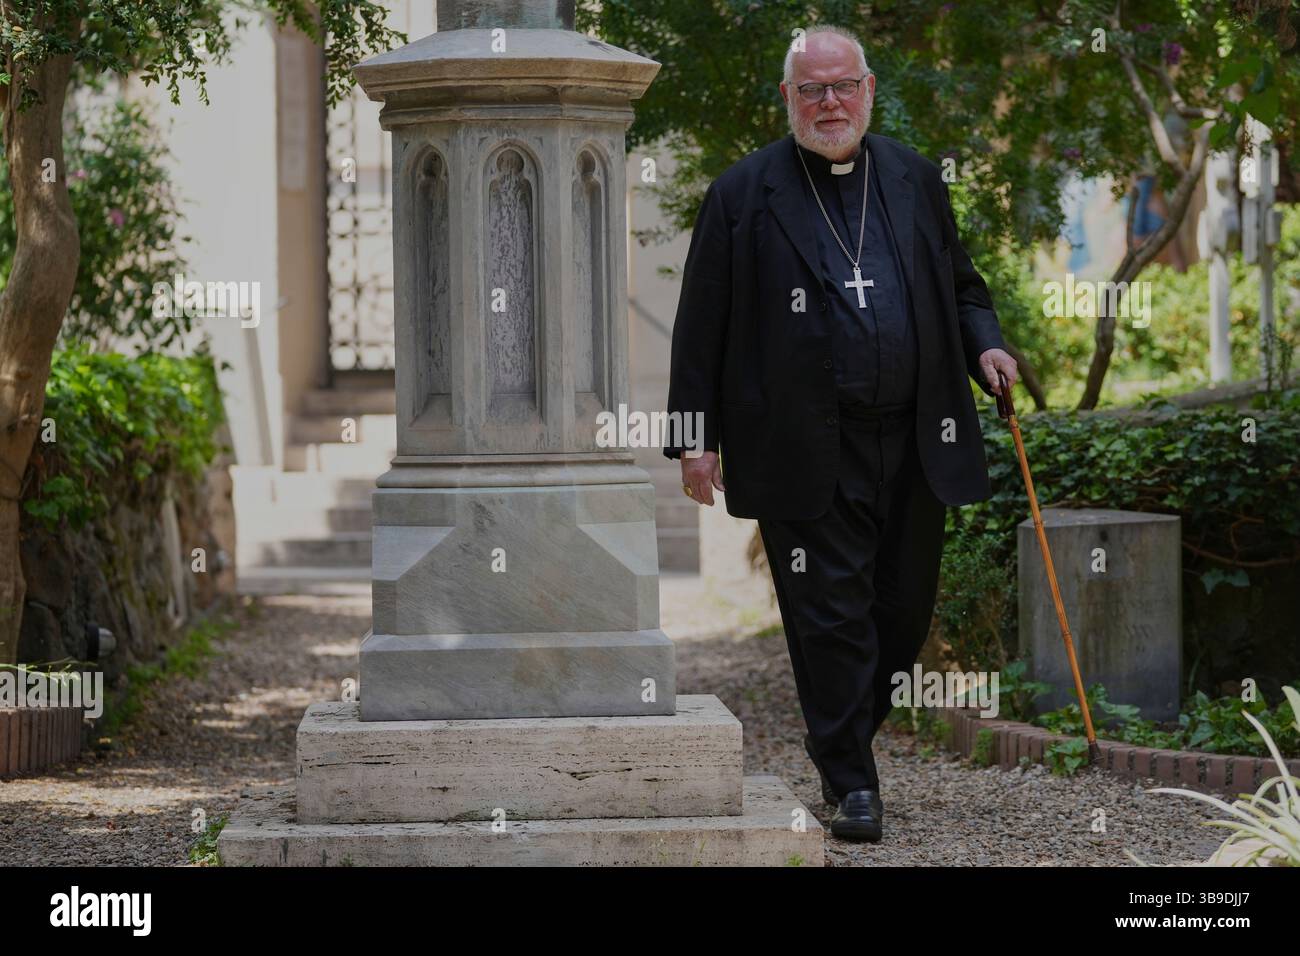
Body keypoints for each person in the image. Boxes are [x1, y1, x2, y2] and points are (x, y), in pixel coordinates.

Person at [661, 25, 1019, 842]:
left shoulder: (913, 177)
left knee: (903, 611)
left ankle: (846, 738)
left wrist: (986, 342)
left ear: (868, 89)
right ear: (788, 98)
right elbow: (700, 326)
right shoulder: (743, 194)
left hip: (914, 438)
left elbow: (963, 285)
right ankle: (852, 784)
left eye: (842, 86)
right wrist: (695, 437)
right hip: (801, 444)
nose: (830, 103)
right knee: (828, 619)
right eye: (811, 90)